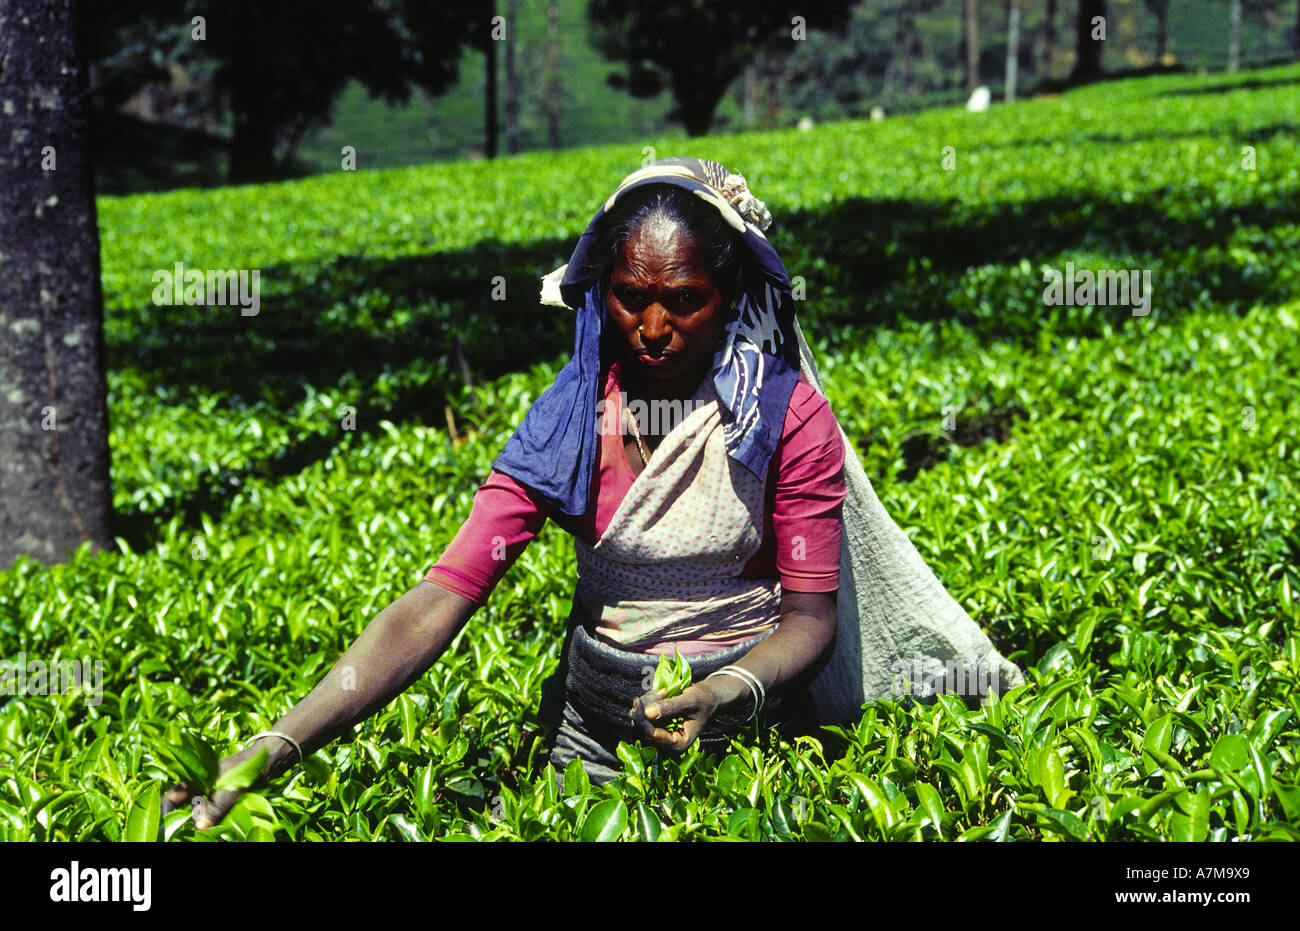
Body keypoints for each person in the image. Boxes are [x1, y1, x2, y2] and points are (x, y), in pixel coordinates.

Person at [168, 157, 1021, 829]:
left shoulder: (782, 416)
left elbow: (809, 620)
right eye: (630, 298)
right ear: (599, 294)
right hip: (594, 738)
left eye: (684, 301)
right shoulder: (570, 421)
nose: (653, 329)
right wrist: (271, 748)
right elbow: (440, 597)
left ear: (727, 298)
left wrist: (722, 692)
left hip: (752, 738)